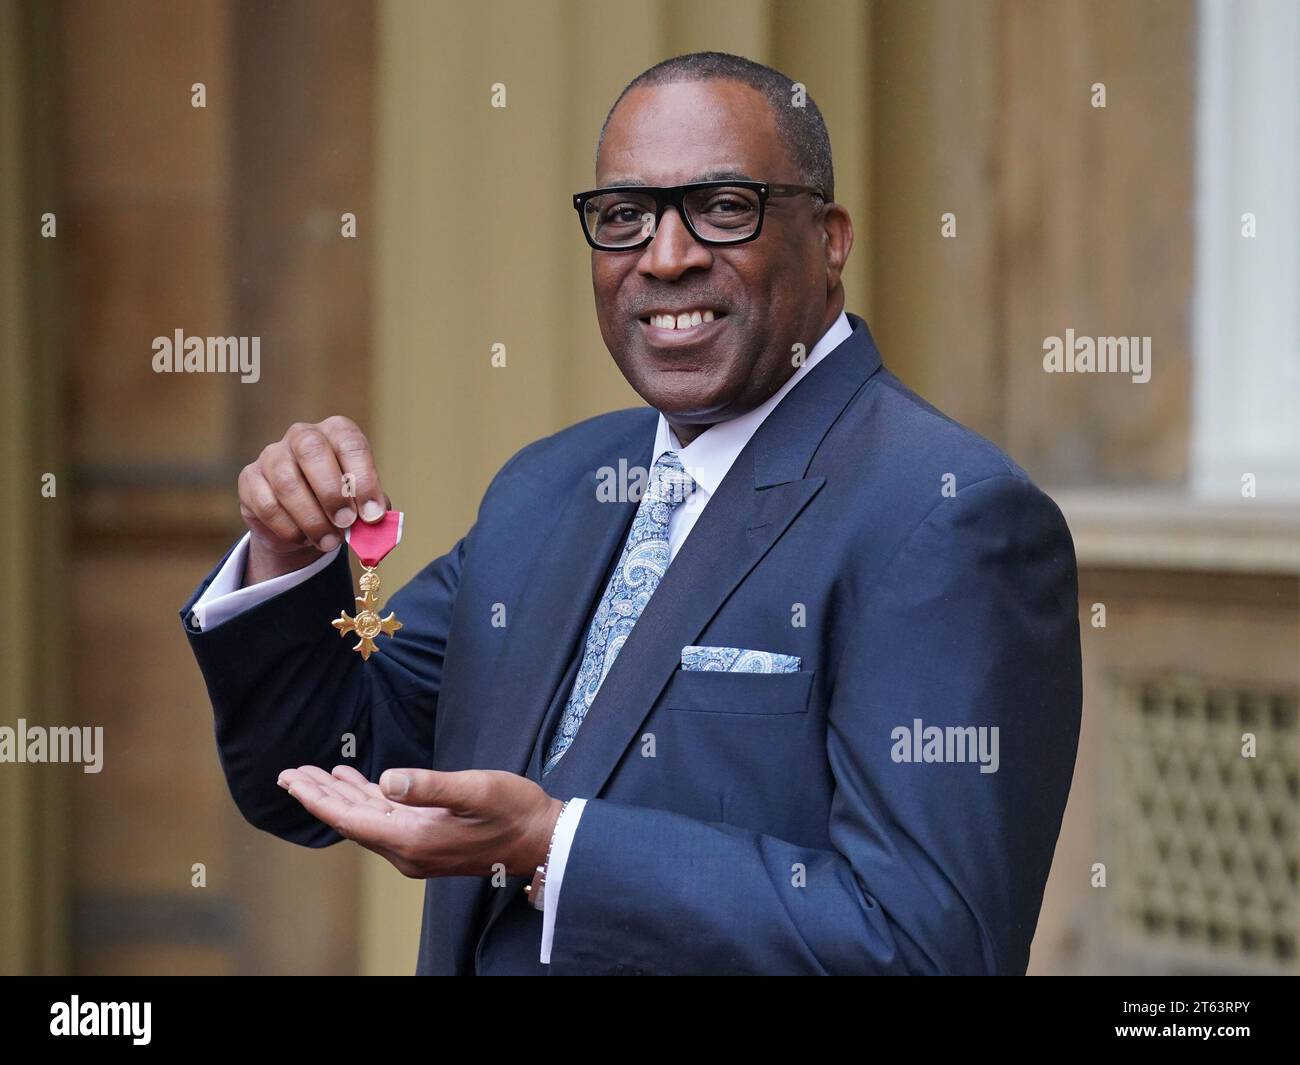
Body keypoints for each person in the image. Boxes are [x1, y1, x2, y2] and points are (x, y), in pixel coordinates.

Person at [181, 51, 1081, 975]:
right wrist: (283, 562)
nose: (666, 255)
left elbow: (931, 947)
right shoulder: (549, 486)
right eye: (625, 217)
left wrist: (555, 847)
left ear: (832, 237)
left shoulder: (949, 518)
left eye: (725, 207)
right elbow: (330, 761)